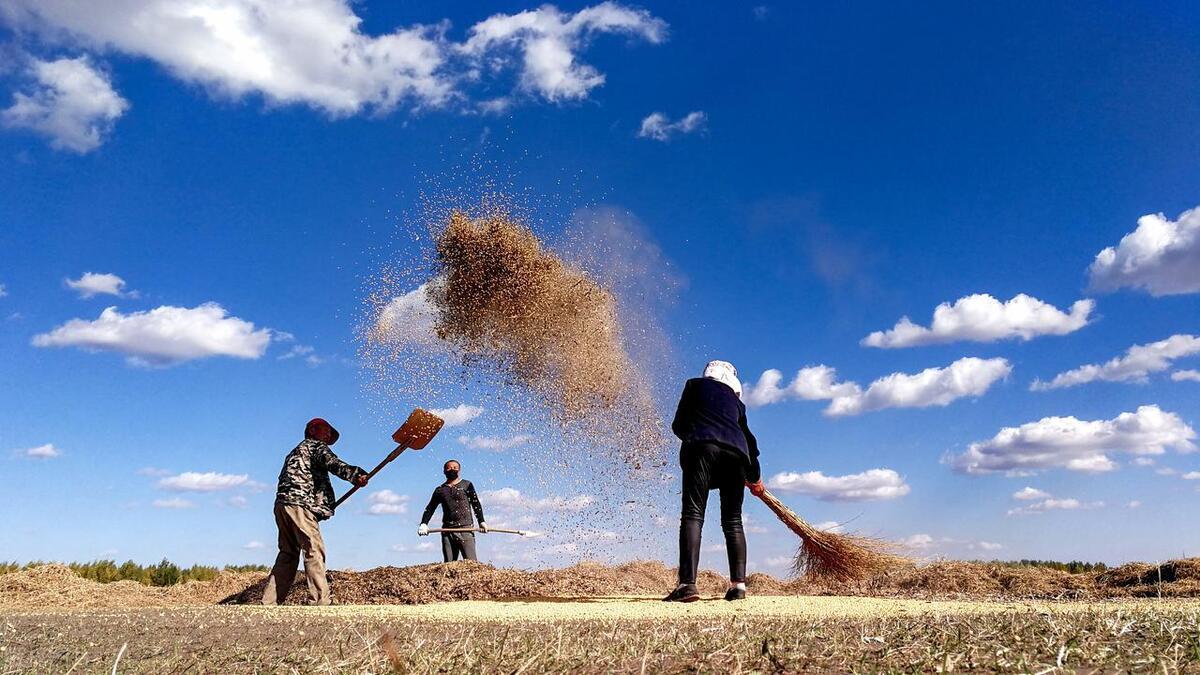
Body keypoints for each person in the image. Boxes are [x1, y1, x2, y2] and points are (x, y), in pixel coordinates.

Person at [664, 360, 764, 603]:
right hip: (737, 455)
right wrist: (755, 477)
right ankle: (738, 587)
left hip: (701, 446)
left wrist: (697, 434)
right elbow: (749, 441)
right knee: (733, 520)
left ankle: (687, 585)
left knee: (693, 513)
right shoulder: (736, 402)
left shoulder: (694, 386)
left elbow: (678, 425)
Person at [262, 418, 368, 606]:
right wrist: (356, 475)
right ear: (312, 430)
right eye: (326, 430)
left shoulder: (294, 452)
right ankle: (320, 602)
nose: (328, 435)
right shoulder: (315, 446)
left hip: (282, 505)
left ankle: (269, 602)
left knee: (288, 553)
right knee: (313, 549)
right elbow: (333, 463)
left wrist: (322, 507)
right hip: (300, 505)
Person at [417, 459, 488, 562]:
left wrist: (481, 521)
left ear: (459, 470)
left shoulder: (467, 485)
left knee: (471, 564)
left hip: (465, 529)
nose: (452, 469)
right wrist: (423, 523)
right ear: (444, 471)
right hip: (447, 531)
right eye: (449, 468)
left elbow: (475, 503)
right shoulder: (440, 490)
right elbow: (430, 508)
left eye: (455, 468)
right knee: (449, 565)